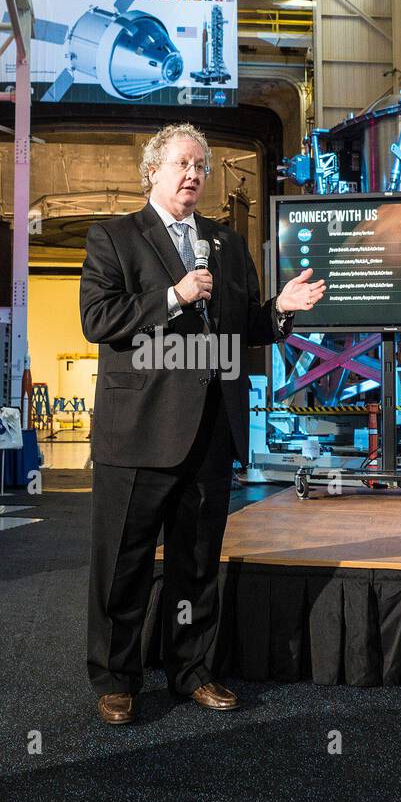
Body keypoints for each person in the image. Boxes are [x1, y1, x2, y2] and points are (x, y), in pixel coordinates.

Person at [80, 123, 325, 724]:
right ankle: (116, 677)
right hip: (138, 431)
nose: (193, 175)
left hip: (211, 432)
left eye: (202, 167)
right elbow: (98, 319)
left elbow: (241, 331)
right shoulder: (115, 237)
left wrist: (279, 313)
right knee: (124, 564)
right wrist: (175, 295)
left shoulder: (227, 243)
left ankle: (192, 669)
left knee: (196, 564)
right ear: (154, 172)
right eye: (183, 164)